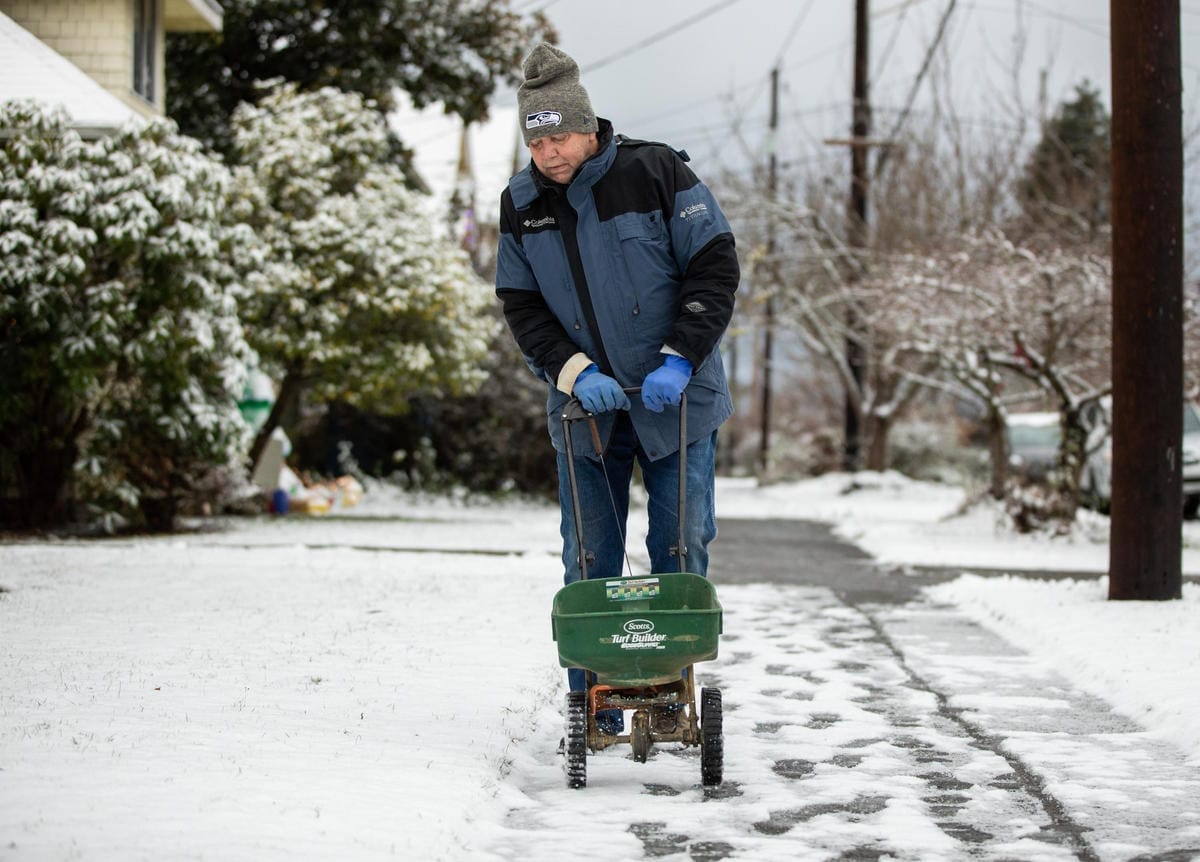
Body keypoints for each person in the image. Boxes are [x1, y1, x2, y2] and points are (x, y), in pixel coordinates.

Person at [495, 44, 739, 732]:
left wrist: (679, 358)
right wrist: (575, 372)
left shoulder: (655, 172)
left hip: (676, 399)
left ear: (587, 125)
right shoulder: (521, 203)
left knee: (679, 549)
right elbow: (522, 304)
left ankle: (667, 696)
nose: (547, 152)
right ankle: (595, 702)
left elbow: (714, 265)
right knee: (590, 557)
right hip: (587, 409)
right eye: (535, 141)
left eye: (558, 137)